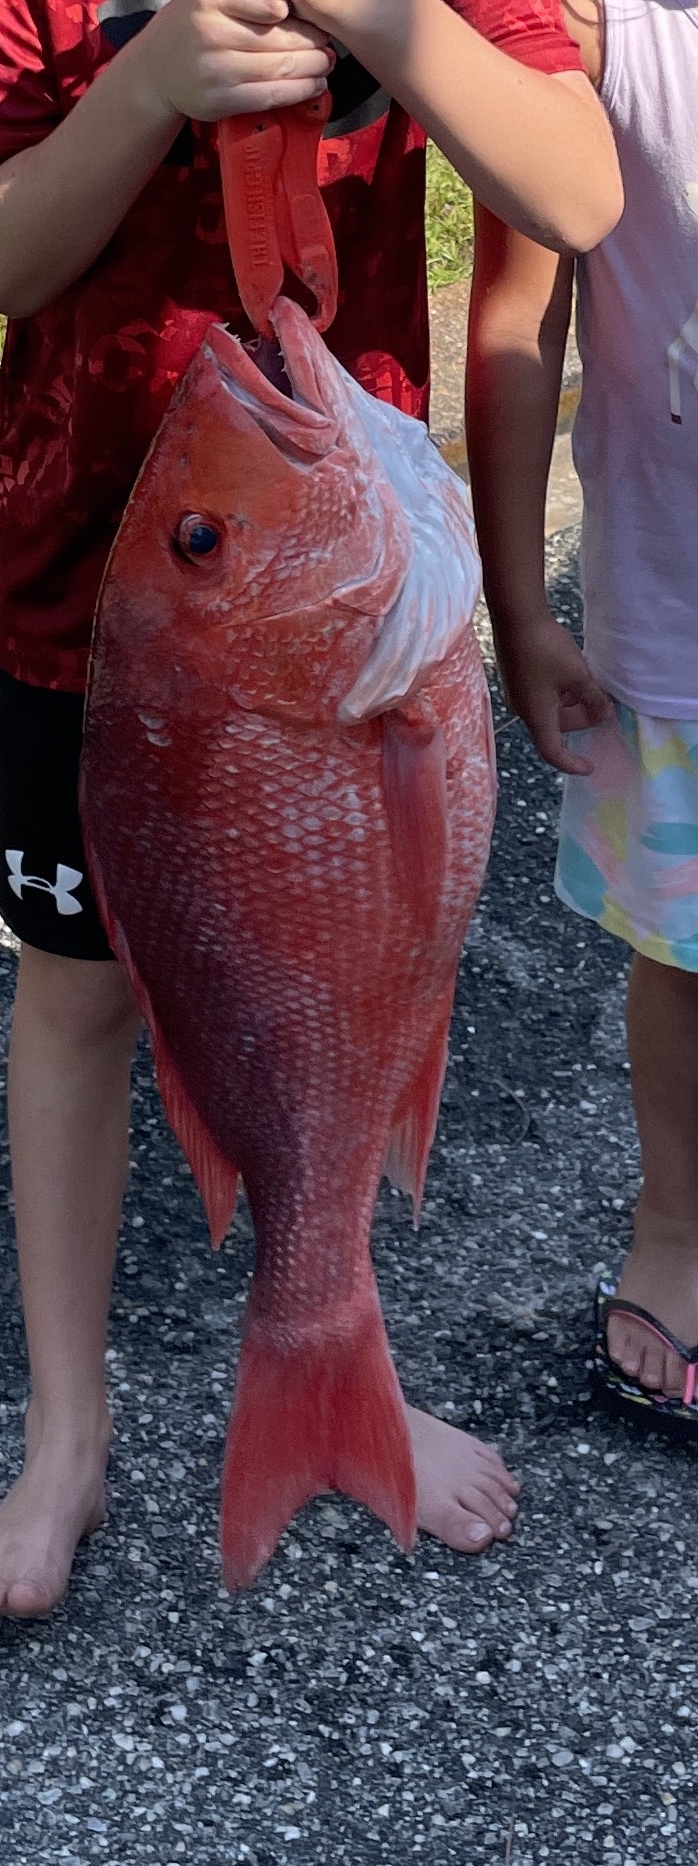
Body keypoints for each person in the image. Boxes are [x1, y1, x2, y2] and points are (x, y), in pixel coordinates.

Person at [0, 0, 621, 1617]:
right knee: (73, 994)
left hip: (335, 593)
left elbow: (573, 191)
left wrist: (383, 20)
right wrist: (149, 82)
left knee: (355, 980)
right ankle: (66, 1436)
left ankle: (341, 1347)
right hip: (98, 606)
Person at [466, 0, 698, 1420]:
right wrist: (517, 600)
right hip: (680, 622)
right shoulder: (598, 33)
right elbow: (516, 314)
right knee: (686, 956)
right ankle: (676, 1223)